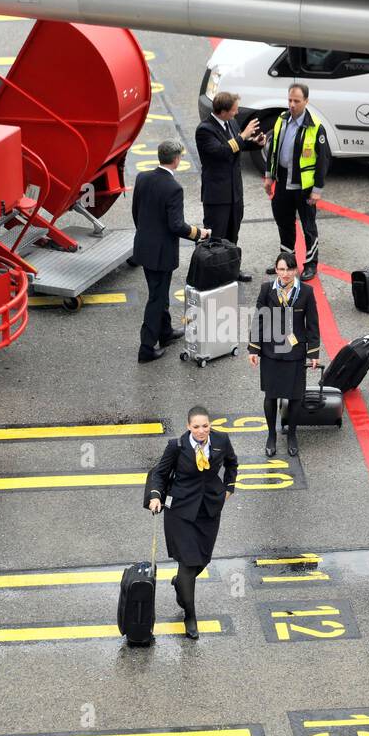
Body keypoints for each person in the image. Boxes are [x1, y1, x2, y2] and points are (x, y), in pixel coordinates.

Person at [144, 406, 239, 639]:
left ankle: (180, 584)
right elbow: (159, 473)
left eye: (205, 426)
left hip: (209, 509)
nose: (201, 431)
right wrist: (155, 496)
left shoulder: (221, 440)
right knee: (188, 563)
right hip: (181, 512)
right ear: (188, 427)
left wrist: (229, 488)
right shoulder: (176, 447)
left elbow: (232, 463)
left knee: (203, 560)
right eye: (196, 427)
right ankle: (190, 615)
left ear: (210, 425)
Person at [131, 140, 209, 363]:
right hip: (161, 253)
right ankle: (146, 347)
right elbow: (176, 225)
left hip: (144, 248)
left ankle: (165, 333)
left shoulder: (142, 178)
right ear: (176, 159)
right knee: (156, 298)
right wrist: (199, 233)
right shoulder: (173, 188)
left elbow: (137, 212)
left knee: (160, 292)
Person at [248, 251, 321, 458]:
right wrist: (254, 348)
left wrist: (313, 352)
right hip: (271, 351)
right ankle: (271, 435)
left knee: (295, 397)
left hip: (296, 351)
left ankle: (292, 435)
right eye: (281, 269)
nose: (285, 273)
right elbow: (258, 320)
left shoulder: (306, 292)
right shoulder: (266, 290)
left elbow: (312, 324)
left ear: (295, 270)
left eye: (289, 269)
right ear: (276, 270)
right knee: (271, 396)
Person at [195, 91, 266, 282]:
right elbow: (222, 151)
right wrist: (243, 136)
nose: (236, 114)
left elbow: (238, 145)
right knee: (216, 238)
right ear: (223, 111)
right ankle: (214, 274)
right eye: (234, 110)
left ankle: (232, 270)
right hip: (217, 196)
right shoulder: (205, 130)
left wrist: (255, 144)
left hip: (235, 193)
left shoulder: (231, 123)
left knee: (233, 234)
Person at [263, 83, 329, 282]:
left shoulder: (315, 127)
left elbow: (323, 160)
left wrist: (317, 189)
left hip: (304, 187)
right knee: (284, 224)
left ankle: (310, 264)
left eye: (296, 101)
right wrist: (269, 176)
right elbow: (273, 149)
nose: (292, 104)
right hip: (283, 182)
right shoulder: (281, 120)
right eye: (289, 100)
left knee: (308, 226)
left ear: (306, 101)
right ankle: (286, 263)